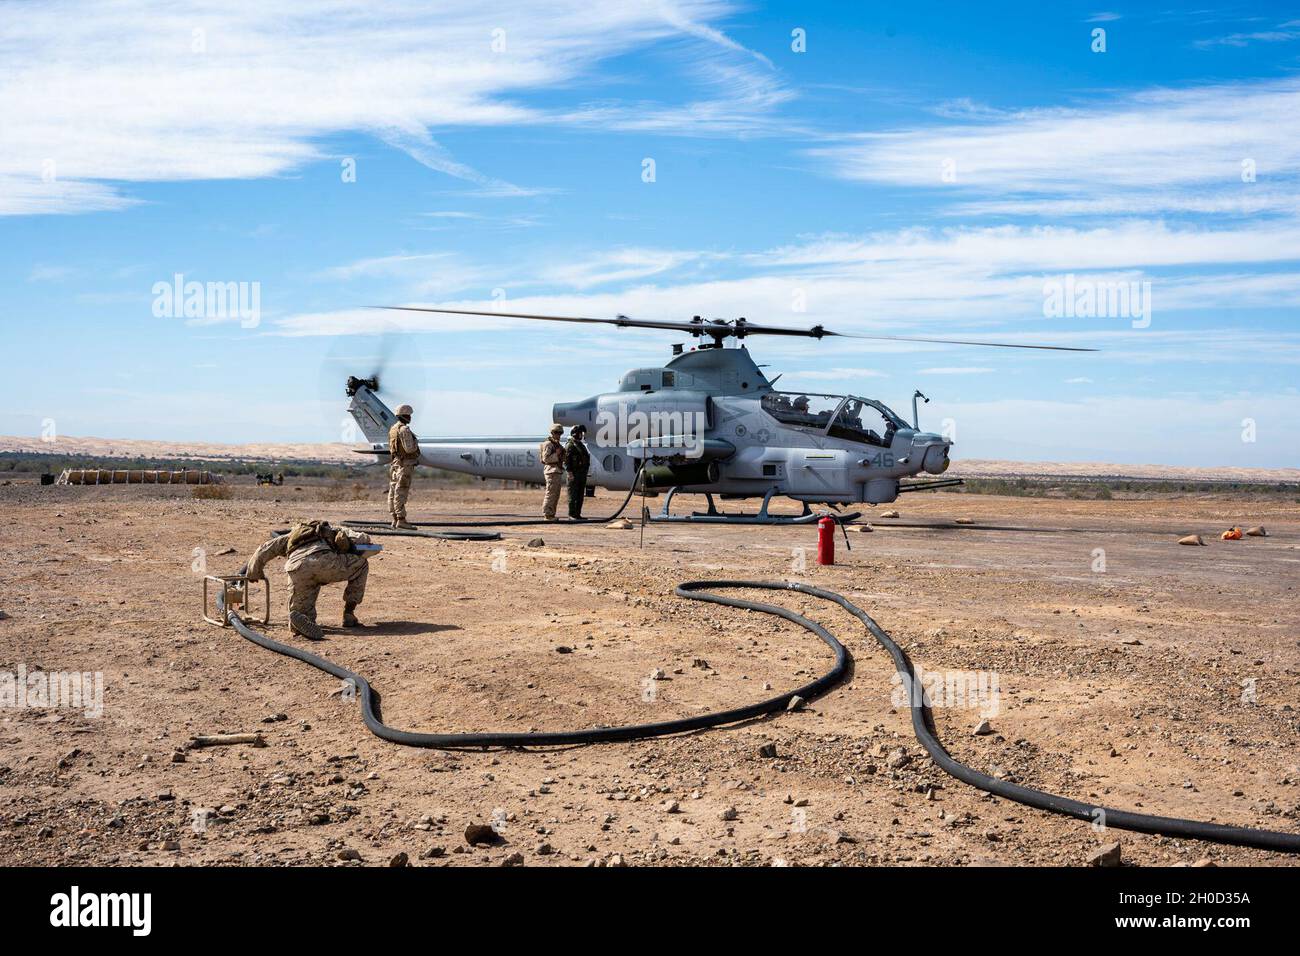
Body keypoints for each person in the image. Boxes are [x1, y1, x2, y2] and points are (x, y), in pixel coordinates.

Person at [246, 520, 376, 641]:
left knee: (301, 613)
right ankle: (349, 614)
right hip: (325, 562)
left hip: (297, 568)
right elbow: (364, 539)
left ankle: (301, 622)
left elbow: (265, 548)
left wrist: (254, 573)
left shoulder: (291, 536)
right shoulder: (332, 530)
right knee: (362, 565)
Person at [387, 403, 420, 530]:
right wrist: (416, 442)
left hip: (395, 463)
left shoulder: (393, 429)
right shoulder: (404, 430)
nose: (410, 418)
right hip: (404, 464)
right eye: (409, 415)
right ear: (405, 416)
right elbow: (409, 448)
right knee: (401, 491)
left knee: (393, 491)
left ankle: (395, 519)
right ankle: (401, 520)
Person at [539, 423, 566, 521]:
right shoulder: (548, 444)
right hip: (551, 471)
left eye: (560, 433)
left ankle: (551, 514)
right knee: (550, 493)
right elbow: (546, 459)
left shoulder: (556, 444)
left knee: (555, 494)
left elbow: (562, 458)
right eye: (556, 433)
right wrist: (556, 454)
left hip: (557, 471)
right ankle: (547, 514)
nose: (558, 435)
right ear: (552, 433)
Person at [564, 424, 591, 520]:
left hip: (581, 474)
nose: (582, 435)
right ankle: (572, 514)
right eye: (580, 433)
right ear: (575, 434)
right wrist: (569, 473)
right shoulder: (570, 445)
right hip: (574, 474)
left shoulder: (581, 445)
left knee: (580, 495)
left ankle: (578, 514)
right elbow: (566, 460)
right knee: (573, 495)